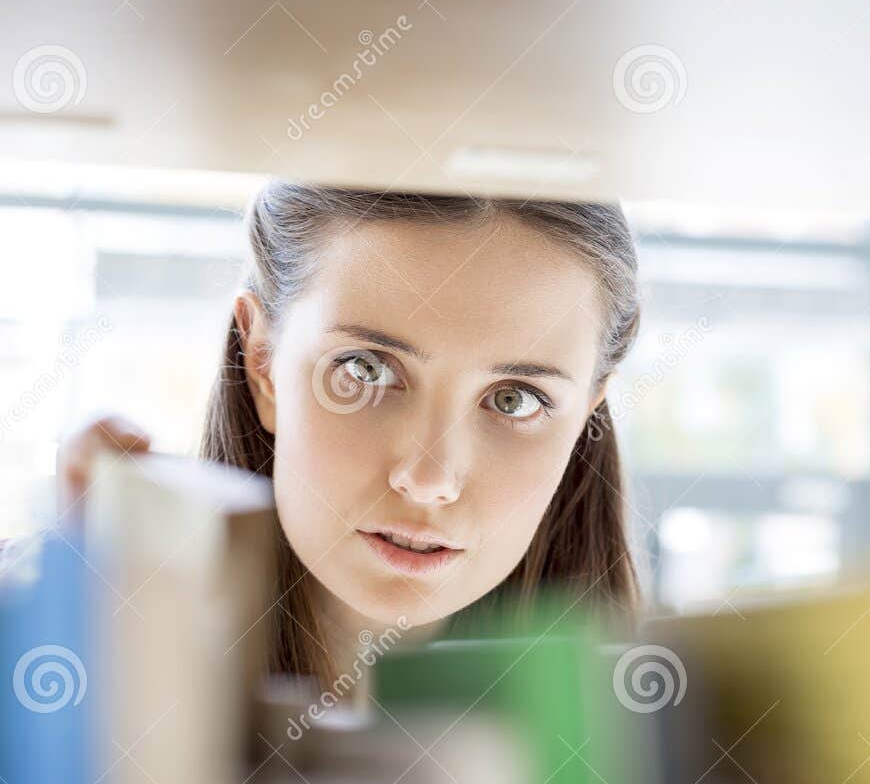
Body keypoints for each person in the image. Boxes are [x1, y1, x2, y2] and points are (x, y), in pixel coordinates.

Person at [55, 183, 642, 690]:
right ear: (262, 360)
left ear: (587, 410)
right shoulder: (82, 662)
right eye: (365, 369)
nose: (428, 478)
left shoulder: (664, 756)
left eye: (514, 400)